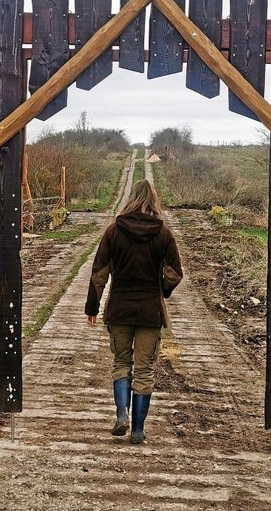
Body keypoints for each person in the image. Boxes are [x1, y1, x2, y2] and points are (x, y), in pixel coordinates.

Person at [84, 180, 183, 444]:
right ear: (153, 200)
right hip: (150, 312)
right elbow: (175, 274)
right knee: (145, 370)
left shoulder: (114, 231)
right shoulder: (164, 234)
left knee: (121, 363)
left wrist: (92, 307)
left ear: (131, 197)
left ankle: (122, 414)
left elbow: (99, 273)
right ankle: (138, 430)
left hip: (119, 310)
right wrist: (160, 289)